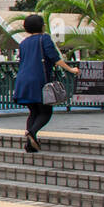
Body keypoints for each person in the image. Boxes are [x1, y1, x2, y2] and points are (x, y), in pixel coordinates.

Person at [13, 14, 79, 153]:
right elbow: (55, 58)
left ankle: (30, 145)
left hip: (22, 80)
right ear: (42, 26)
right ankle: (32, 132)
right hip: (38, 80)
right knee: (45, 111)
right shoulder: (45, 38)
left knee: (33, 111)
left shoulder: (23, 43)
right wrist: (71, 69)